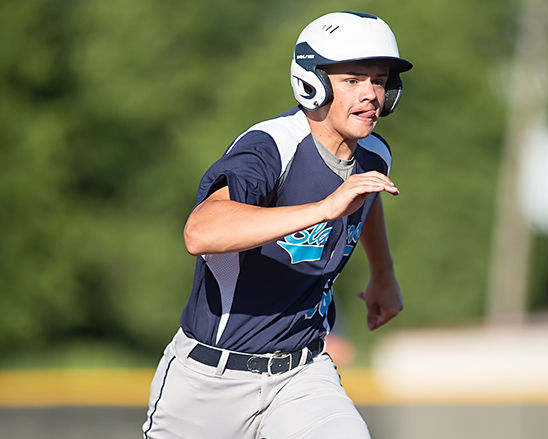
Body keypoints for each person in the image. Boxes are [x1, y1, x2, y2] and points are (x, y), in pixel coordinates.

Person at [142, 11, 412, 439]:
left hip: (302, 375)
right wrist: (324, 208)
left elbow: (366, 199)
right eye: (353, 80)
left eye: (378, 80)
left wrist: (383, 275)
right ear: (312, 83)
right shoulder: (270, 148)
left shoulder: (373, 153)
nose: (371, 94)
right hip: (210, 378)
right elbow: (200, 231)